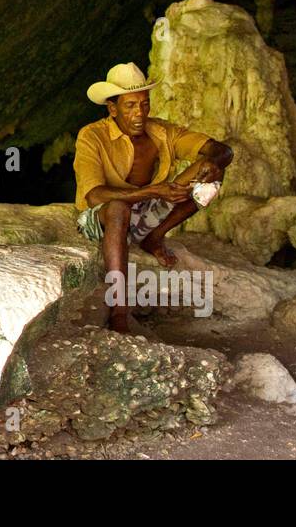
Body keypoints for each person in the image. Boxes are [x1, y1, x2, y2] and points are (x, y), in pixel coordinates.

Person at [73, 62, 232, 332]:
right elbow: (95, 196)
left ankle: (153, 237)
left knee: (211, 170)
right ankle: (119, 312)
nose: (139, 114)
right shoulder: (92, 136)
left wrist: (213, 163)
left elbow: (221, 150)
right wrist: (152, 191)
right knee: (118, 209)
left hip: (147, 210)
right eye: (130, 106)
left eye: (144, 104)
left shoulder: (162, 132)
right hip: (102, 218)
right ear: (112, 108)